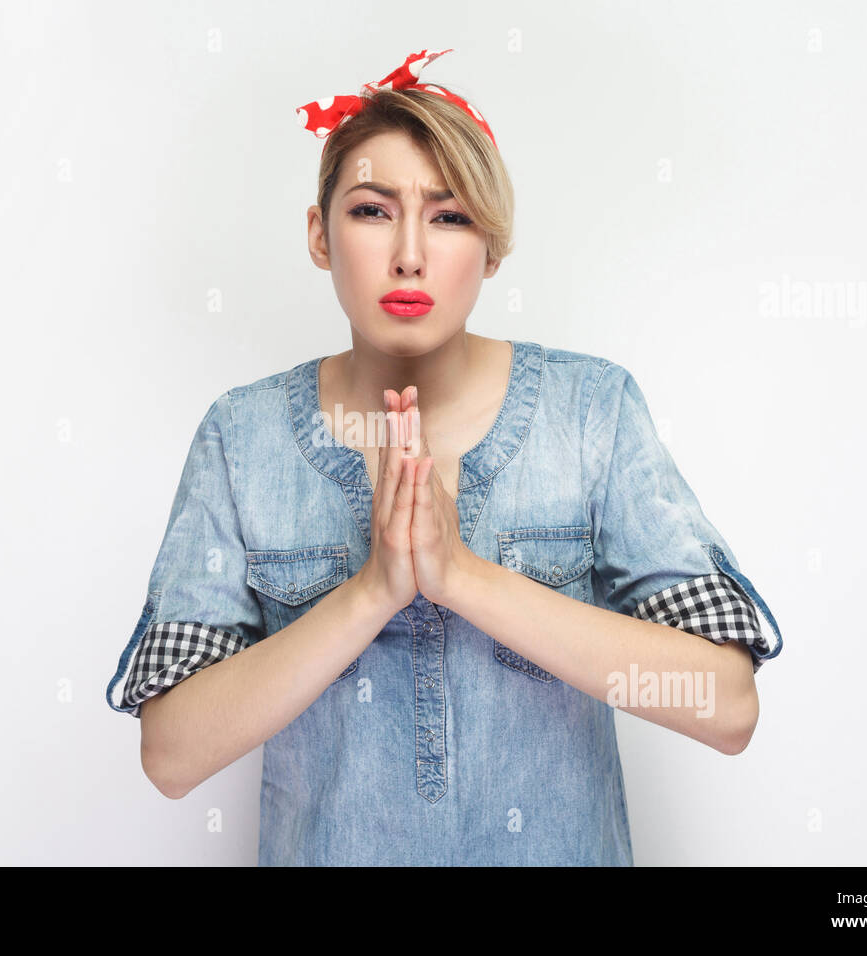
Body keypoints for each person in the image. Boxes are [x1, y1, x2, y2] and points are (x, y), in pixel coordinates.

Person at [106, 49, 783, 866]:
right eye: (371, 210)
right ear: (320, 235)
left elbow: (725, 706)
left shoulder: (590, 413)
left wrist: (461, 575)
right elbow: (172, 755)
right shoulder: (240, 438)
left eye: (450, 216)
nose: (410, 255)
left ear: (492, 249)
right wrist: (370, 593)